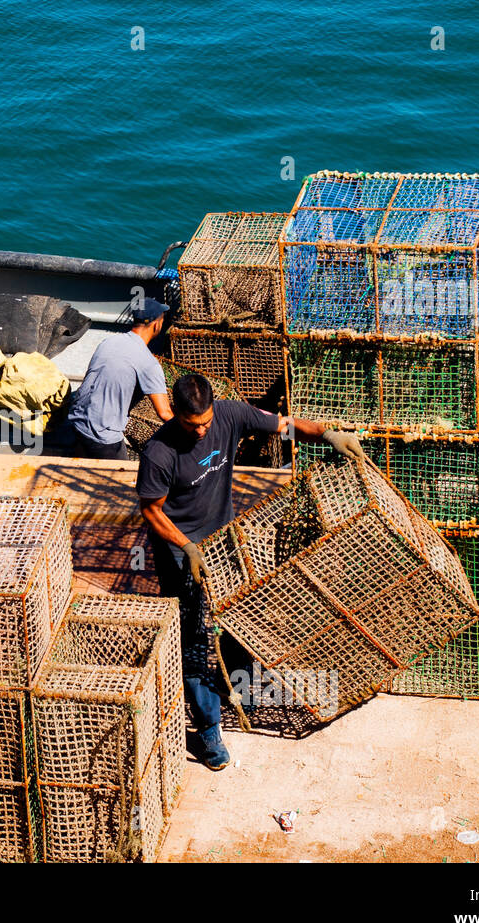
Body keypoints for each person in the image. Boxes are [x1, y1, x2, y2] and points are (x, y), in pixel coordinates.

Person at [136, 373, 365, 770]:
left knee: (237, 613)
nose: (203, 429)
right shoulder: (159, 452)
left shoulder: (230, 415)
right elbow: (151, 511)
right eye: (194, 425)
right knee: (194, 639)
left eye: (207, 421)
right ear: (175, 415)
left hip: (223, 537)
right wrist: (187, 547)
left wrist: (328, 434)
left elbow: (285, 425)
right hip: (181, 550)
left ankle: (238, 684)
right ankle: (208, 729)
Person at [67, 300, 174, 459]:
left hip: (77, 420)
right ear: (156, 325)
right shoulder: (148, 362)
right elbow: (164, 413)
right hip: (102, 434)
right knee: (120, 479)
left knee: (79, 469)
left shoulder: (109, 342)